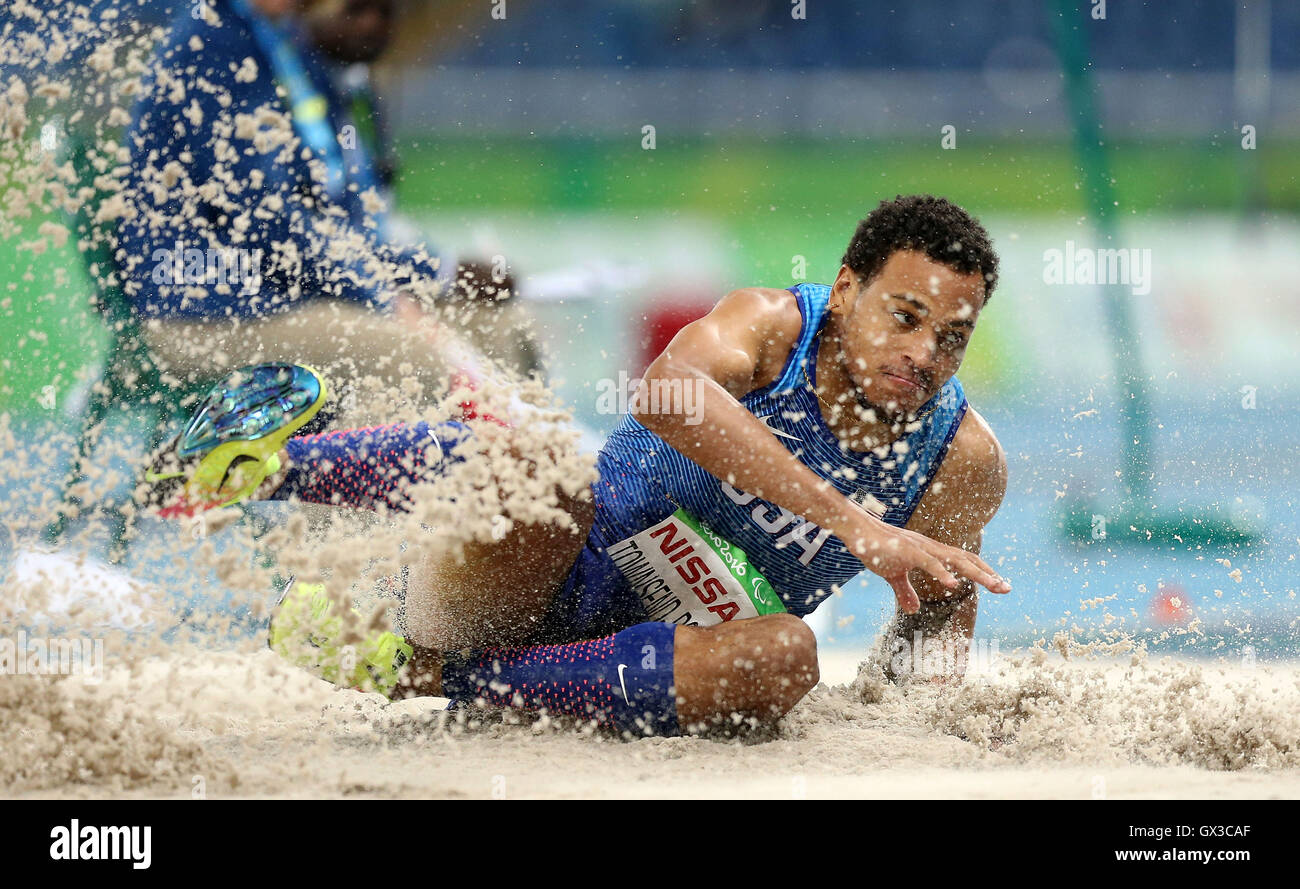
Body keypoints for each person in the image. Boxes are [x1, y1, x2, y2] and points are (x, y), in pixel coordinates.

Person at [142, 195, 1011, 737]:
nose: (923, 353)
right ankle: (260, 469)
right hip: (526, 579)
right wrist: (858, 527)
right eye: (904, 316)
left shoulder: (959, 459)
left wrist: (922, 714)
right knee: (546, 462)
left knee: (788, 657)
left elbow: (932, 624)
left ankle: (418, 674)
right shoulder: (769, 326)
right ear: (849, 286)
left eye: (952, 337)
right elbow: (663, 397)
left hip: (661, 664)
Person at [115, 0, 473, 408]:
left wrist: (421, 274)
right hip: (205, 314)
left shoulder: (274, 40)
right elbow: (265, 218)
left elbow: (331, 219)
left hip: (274, 296)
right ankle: (328, 472)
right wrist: (381, 293)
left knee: (504, 328)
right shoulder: (214, 43)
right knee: (410, 361)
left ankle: (516, 465)